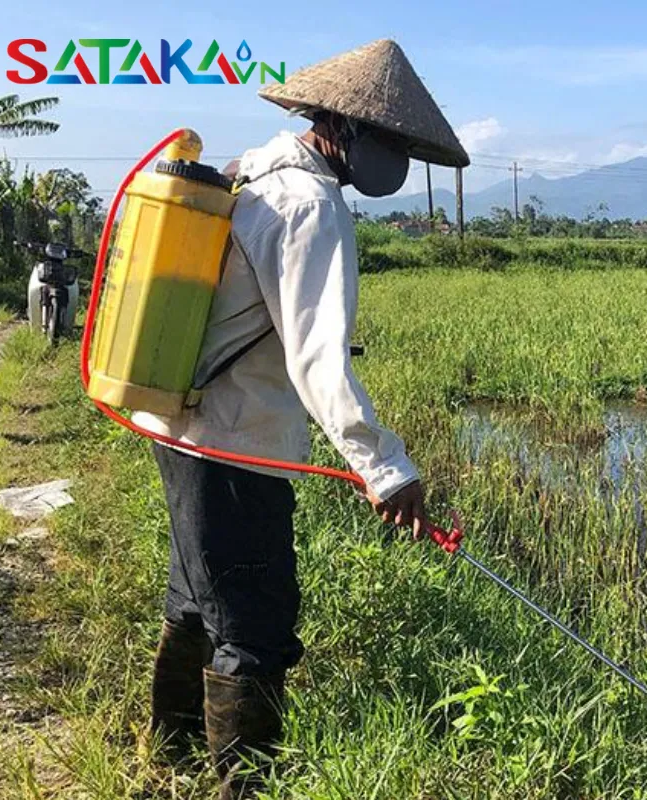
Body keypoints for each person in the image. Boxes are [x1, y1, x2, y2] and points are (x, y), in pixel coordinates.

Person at [132, 39, 468, 799]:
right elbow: (319, 359)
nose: (395, 158)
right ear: (342, 128)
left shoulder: (255, 172)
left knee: (197, 595)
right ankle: (240, 788)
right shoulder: (313, 207)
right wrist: (387, 470)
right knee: (254, 628)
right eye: (388, 141)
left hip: (182, 430)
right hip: (236, 444)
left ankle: (172, 757)